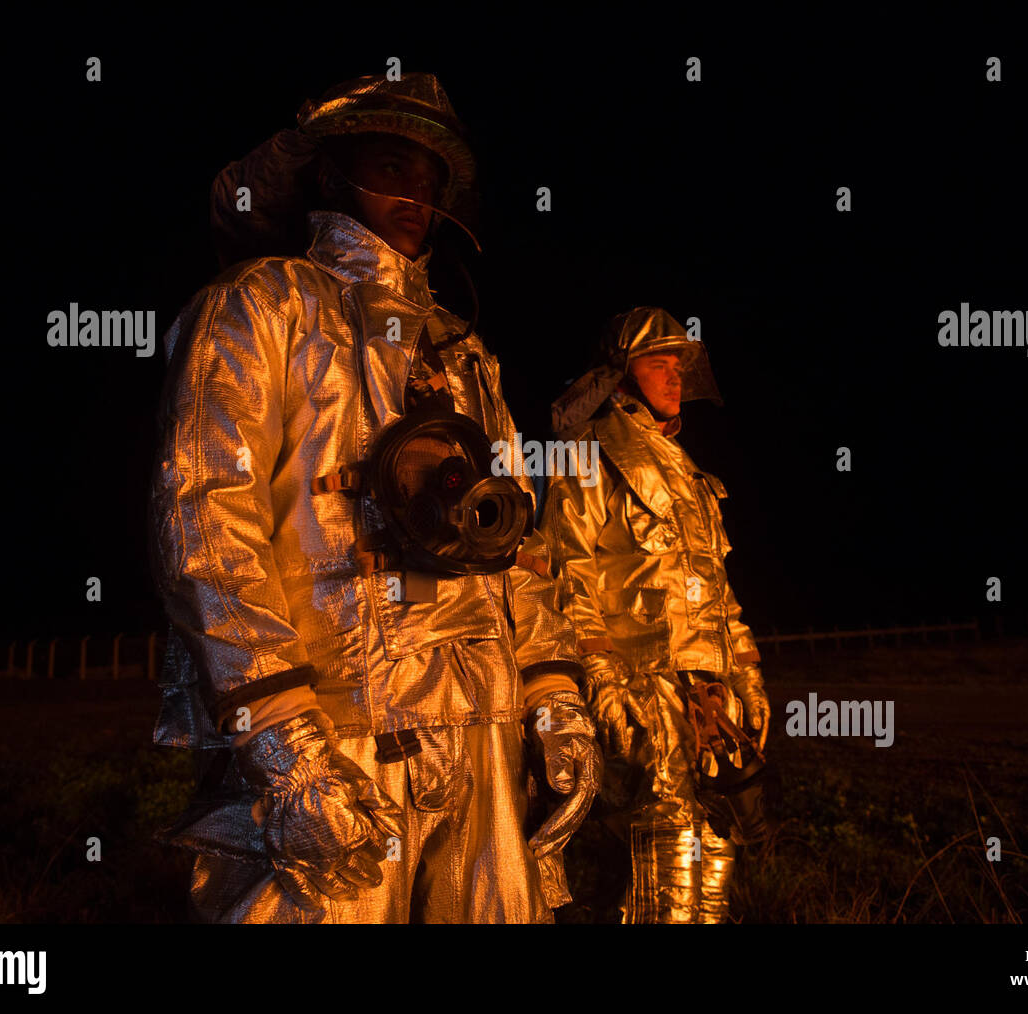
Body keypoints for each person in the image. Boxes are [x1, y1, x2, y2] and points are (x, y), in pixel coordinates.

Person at [149, 72, 599, 923]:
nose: (419, 193)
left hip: (482, 729)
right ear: (328, 175)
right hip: (334, 734)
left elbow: (521, 549)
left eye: (433, 177)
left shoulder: (466, 356)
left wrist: (556, 701)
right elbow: (202, 516)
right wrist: (285, 746)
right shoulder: (260, 308)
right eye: (393, 164)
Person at [540, 306, 772, 923]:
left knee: (715, 843)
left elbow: (715, 585)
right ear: (619, 374)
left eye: (679, 366)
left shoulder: (690, 473)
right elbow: (568, 571)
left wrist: (744, 670)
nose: (674, 378)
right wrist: (603, 677)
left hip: (708, 692)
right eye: (657, 364)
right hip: (642, 682)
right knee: (664, 839)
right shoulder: (588, 454)